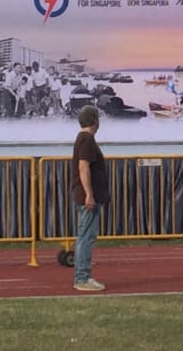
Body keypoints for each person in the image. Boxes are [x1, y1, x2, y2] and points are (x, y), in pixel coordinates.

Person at [71, 105, 109, 291]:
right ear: (95, 121)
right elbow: (83, 167)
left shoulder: (84, 139)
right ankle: (82, 277)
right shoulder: (86, 140)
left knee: (85, 235)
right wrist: (89, 194)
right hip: (87, 196)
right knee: (86, 236)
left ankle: (82, 276)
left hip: (86, 194)